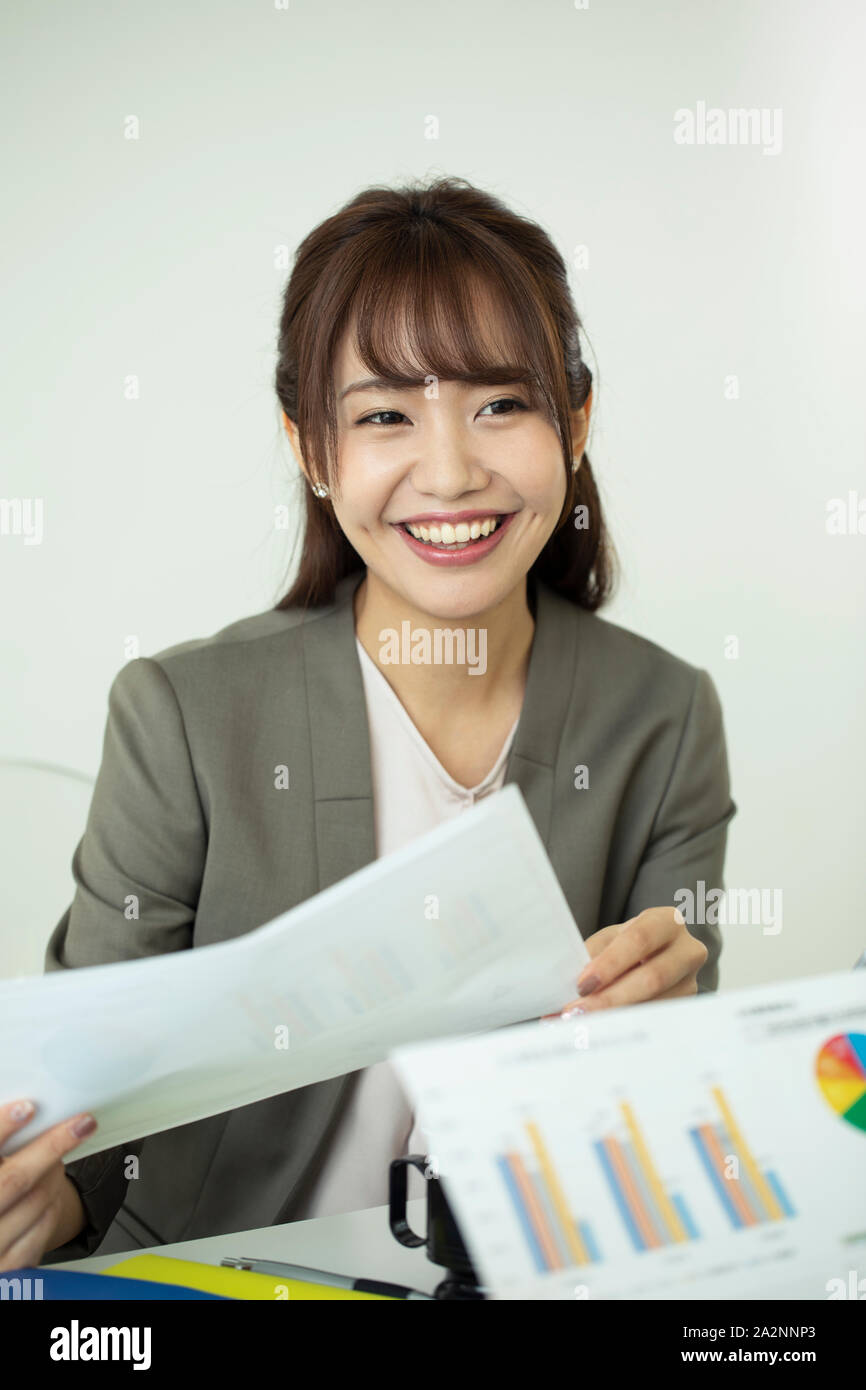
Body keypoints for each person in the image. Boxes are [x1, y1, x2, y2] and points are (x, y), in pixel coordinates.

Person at [0, 177, 735, 1272]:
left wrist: (663, 1023)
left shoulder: (663, 717)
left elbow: (652, 1095)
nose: (448, 473)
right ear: (309, 446)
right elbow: (90, 1115)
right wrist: (45, 1207)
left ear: (574, 421)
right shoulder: (182, 719)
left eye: (500, 404)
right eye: (384, 414)